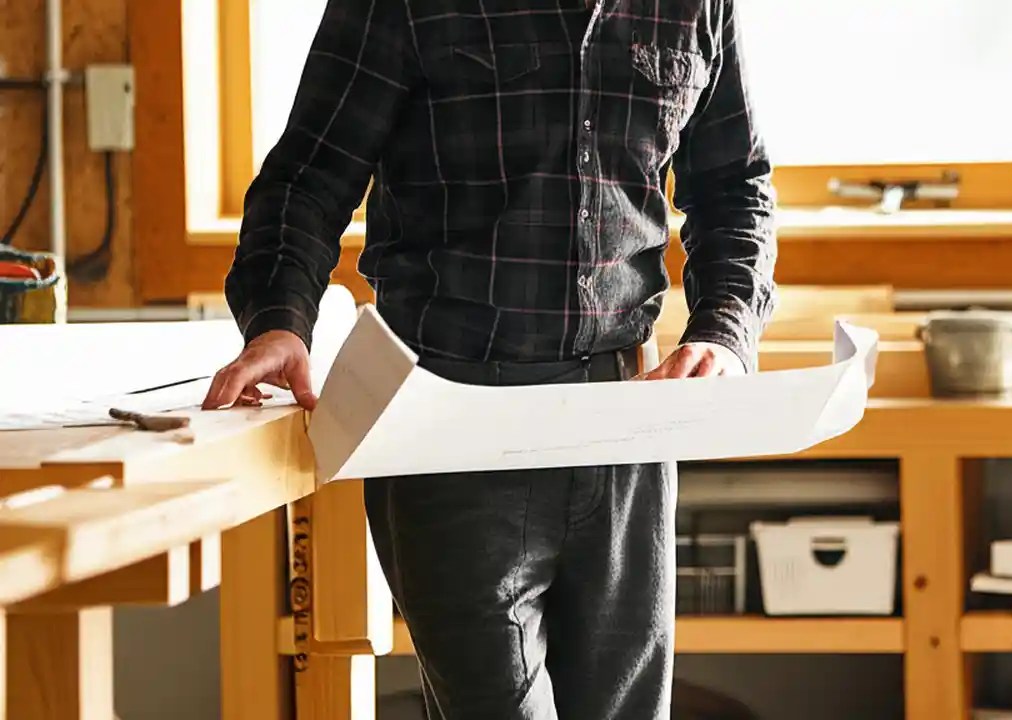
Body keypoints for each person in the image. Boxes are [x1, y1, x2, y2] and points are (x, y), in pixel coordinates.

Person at [202, 0, 776, 717]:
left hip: (627, 417)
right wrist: (280, 321)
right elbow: (308, 177)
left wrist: (724, 330)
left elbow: (735, 186)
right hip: (451, 423)